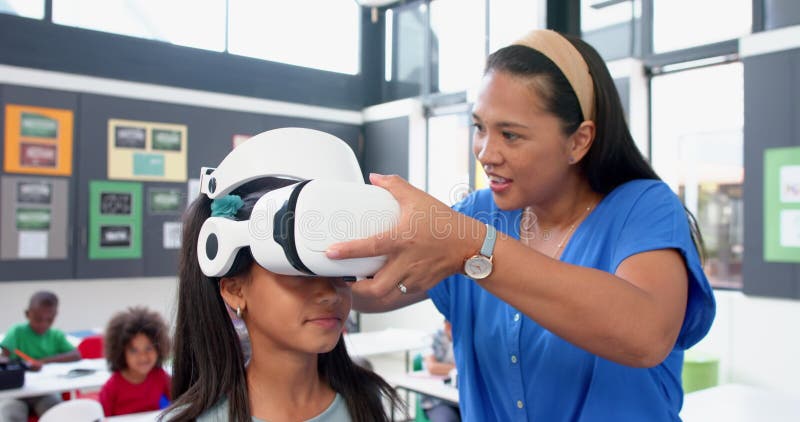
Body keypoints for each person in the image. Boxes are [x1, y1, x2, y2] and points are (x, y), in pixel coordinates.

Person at [326, 29, 716, 421]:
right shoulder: (478, 214)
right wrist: (316, 261)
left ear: (579, 141)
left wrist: (474, 248)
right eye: (480, 127)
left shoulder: (643, 208)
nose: (485, 152)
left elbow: (645, 335)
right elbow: (380, 290)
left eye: (510, 135)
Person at [166, 174, 402, 420]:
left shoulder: (364, 402)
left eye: (341, 273)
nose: (330, 294)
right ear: (235, 291)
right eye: (298, 274)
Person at [0, 290, 81, 421]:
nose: (43, 324)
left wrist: (44, 361)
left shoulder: (55, 335)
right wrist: (22, 365)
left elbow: (76, 355)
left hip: (45, 391)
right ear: (28, 314)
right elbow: (3, 357)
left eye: (49, 320)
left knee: (57, 413)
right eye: (38, 319)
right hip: (17, 393)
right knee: (10, 413)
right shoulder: (17, 332)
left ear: (55, 315)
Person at [98, 306, 172, 417]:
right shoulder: (112, 387)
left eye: (149, 348)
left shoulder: (161, 376)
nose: (143, 357)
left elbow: (180, 404)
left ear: (159, 347)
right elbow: (101, 418)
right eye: (134, 350)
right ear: (121, 352)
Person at [421, 320, 459, 422]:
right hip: (437, 401)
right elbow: (432, 367)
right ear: (447, 325)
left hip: (460, 398)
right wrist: (459, 368)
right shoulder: (431, 337)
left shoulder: (466, 336)